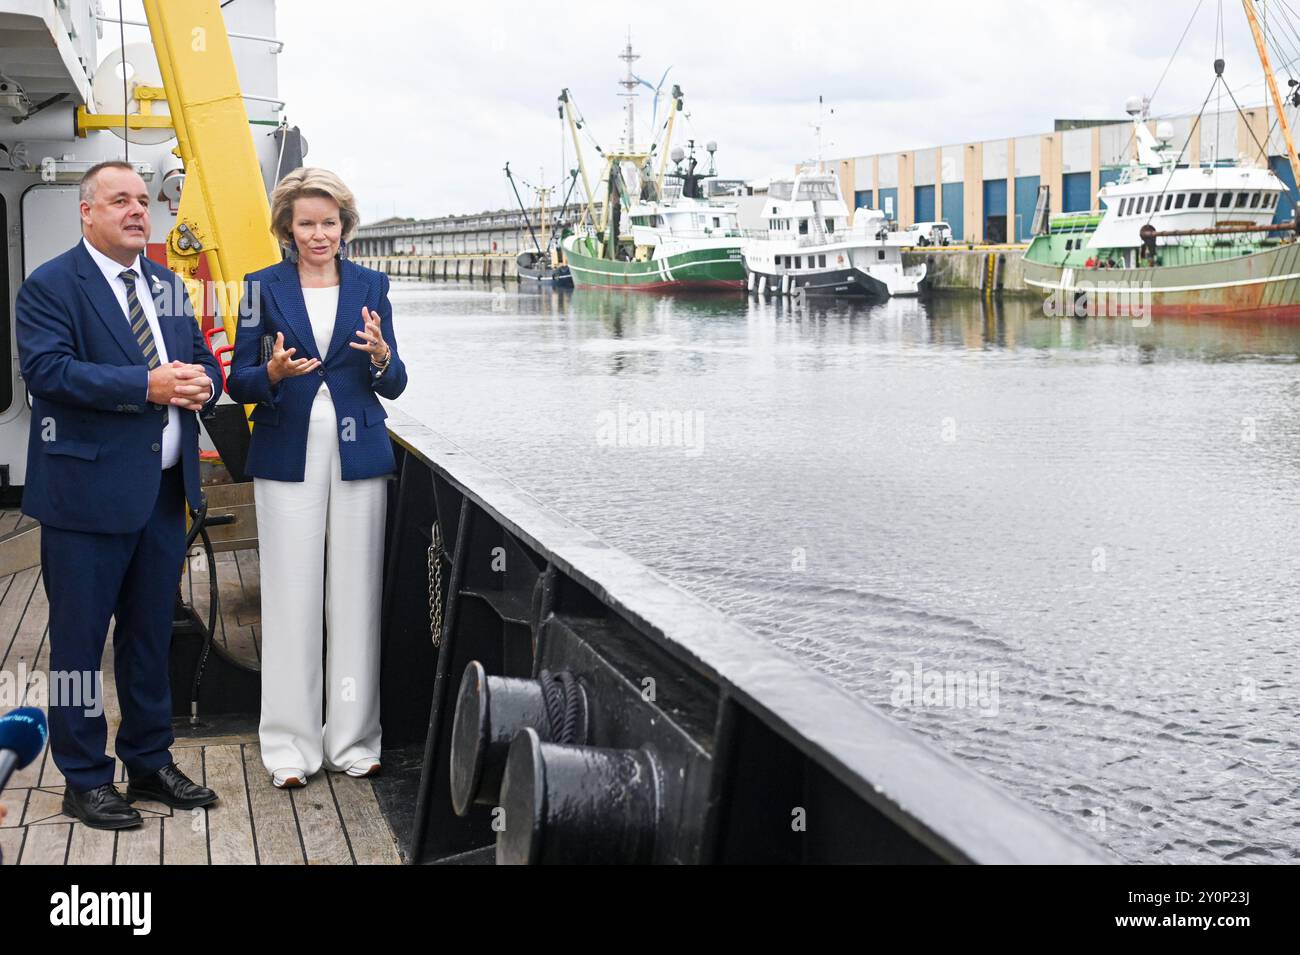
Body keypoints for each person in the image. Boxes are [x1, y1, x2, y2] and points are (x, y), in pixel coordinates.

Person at [16, 160, 223, 829]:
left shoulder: (165, 283)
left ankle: (149, 757)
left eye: (143, 200)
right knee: (79, 644)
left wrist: (202, 385)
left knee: (148, 636)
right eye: (121, 200)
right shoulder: (51, 286)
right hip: (84, 499)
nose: (139, 210)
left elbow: (204, 364)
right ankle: (84, 776)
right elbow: (49, 373)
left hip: (162, 494)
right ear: (87, 212)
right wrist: (148, 387)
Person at [227, 167, 407, 789]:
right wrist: (271, 373)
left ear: (345, 226)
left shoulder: (371, 284)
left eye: (329, 222)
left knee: (356, 596)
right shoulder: (259, 287)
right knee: (289, 595)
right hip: (286, 453)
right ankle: (289, 748)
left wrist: (383, 356)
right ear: (287, 227)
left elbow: (396, 381)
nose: (319, 233)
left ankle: (354, 741)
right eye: (307, 223)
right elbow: (237, 382)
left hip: (359, 454)